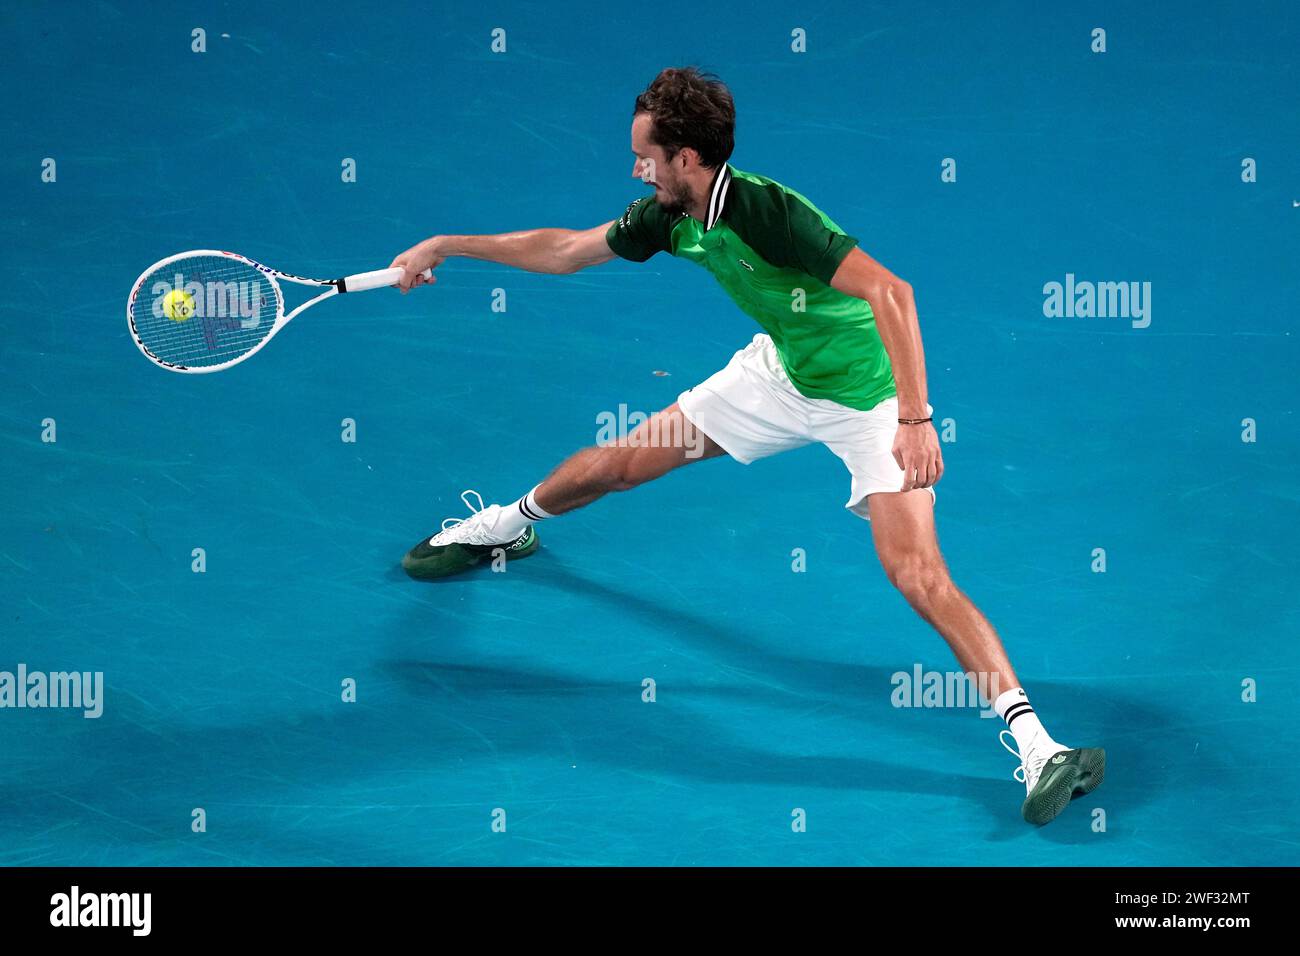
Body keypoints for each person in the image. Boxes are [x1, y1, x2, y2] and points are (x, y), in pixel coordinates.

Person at [388, 67, 1104, 825]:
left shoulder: (768, 213)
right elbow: (566, 250)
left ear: (688, 158)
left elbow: (893, 293)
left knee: (917, 575)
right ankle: (507, 523)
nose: (636, 168)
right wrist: (448, 245)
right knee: (621, 462)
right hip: (779, 377)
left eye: (646, 156)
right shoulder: (668, 215)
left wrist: (915, 419)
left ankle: (1038, 748)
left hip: (870, 402)